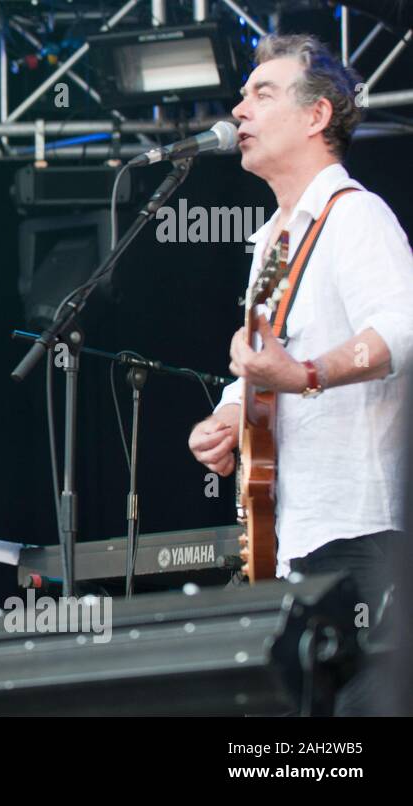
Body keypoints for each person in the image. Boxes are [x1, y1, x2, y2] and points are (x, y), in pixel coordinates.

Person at [187, 34, 413, 714]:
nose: (239, 108)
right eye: (243, 94)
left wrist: (307, 373)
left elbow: (403, 328)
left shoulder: (356, 217)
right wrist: (229, 415)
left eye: (262, 93)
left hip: (361, 533)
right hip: (297, 539)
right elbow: (267, 363)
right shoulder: (275, 241)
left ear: (316, 117)